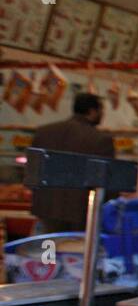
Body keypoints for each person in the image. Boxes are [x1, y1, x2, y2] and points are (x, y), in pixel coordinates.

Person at [30, 92, 115, 234]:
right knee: (74, 253)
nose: (103, 115)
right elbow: (106, 180)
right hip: (80, 212)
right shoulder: (100, 139)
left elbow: (33, 171)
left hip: (46, 208)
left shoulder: (43, 132)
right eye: (101, 110)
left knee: (48, 252)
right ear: (92, 111)